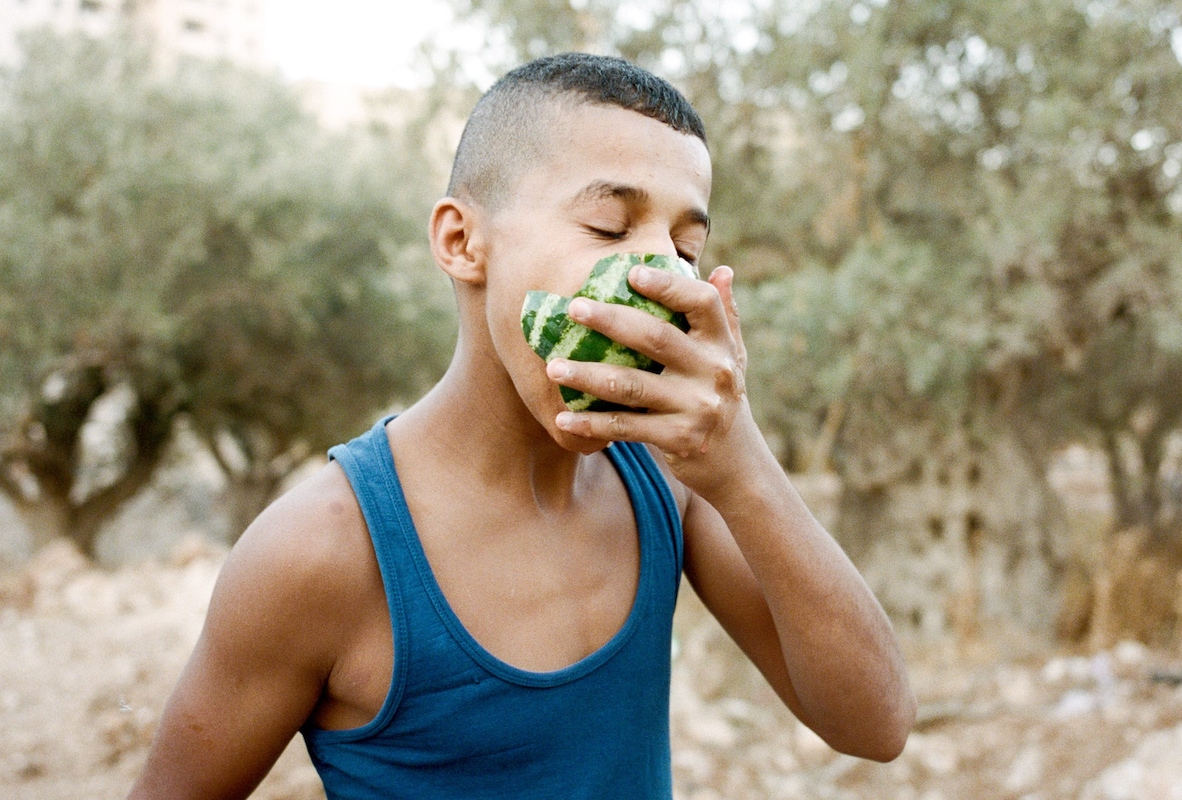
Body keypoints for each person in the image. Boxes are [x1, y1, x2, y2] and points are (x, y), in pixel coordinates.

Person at [128, 52, 916, 799]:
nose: (656, 275)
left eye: (685, 246)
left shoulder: (671, 483)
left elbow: (876, 725)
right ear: (463, 241)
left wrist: (740, 461)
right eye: (610, 228)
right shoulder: (321, 552)